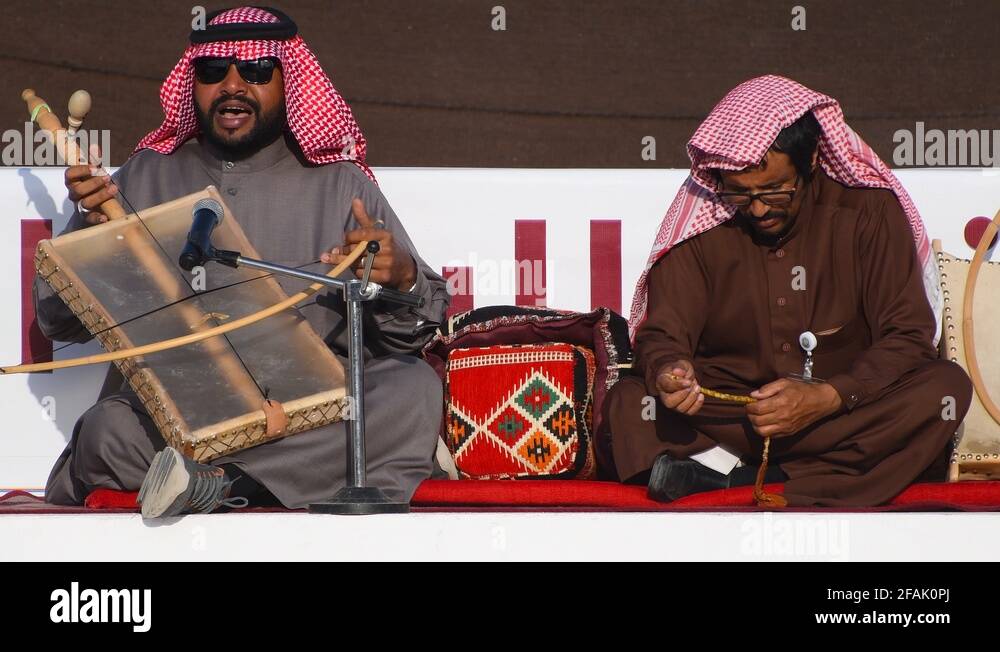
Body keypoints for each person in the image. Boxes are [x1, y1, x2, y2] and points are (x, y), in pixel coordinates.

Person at [37, 6, 449, 517]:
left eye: (255, 71)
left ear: (288, 80)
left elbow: (418, 330)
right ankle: (276, 478)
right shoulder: (143, 178)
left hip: (315, 406)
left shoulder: (341, 185)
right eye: (213, 72)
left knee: (411, 388)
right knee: (107, 432)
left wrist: (403, 279)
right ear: (194, 82)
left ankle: (216, 483)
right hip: (182, 414)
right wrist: (88, 231)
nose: (233, 86)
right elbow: (57, 322)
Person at [605, 75, 972, 507]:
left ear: (813, 159)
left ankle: (734, 483)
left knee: (944, 390)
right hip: (730, 419)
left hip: (840, 415)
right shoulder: (706, 224)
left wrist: (829, 396)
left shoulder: (867, 213)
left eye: (775, 191)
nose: (758, 209)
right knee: (628, 404)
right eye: (741, 194)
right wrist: (671, 372)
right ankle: (820, 481)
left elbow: (908, 336)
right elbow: (662, 334)